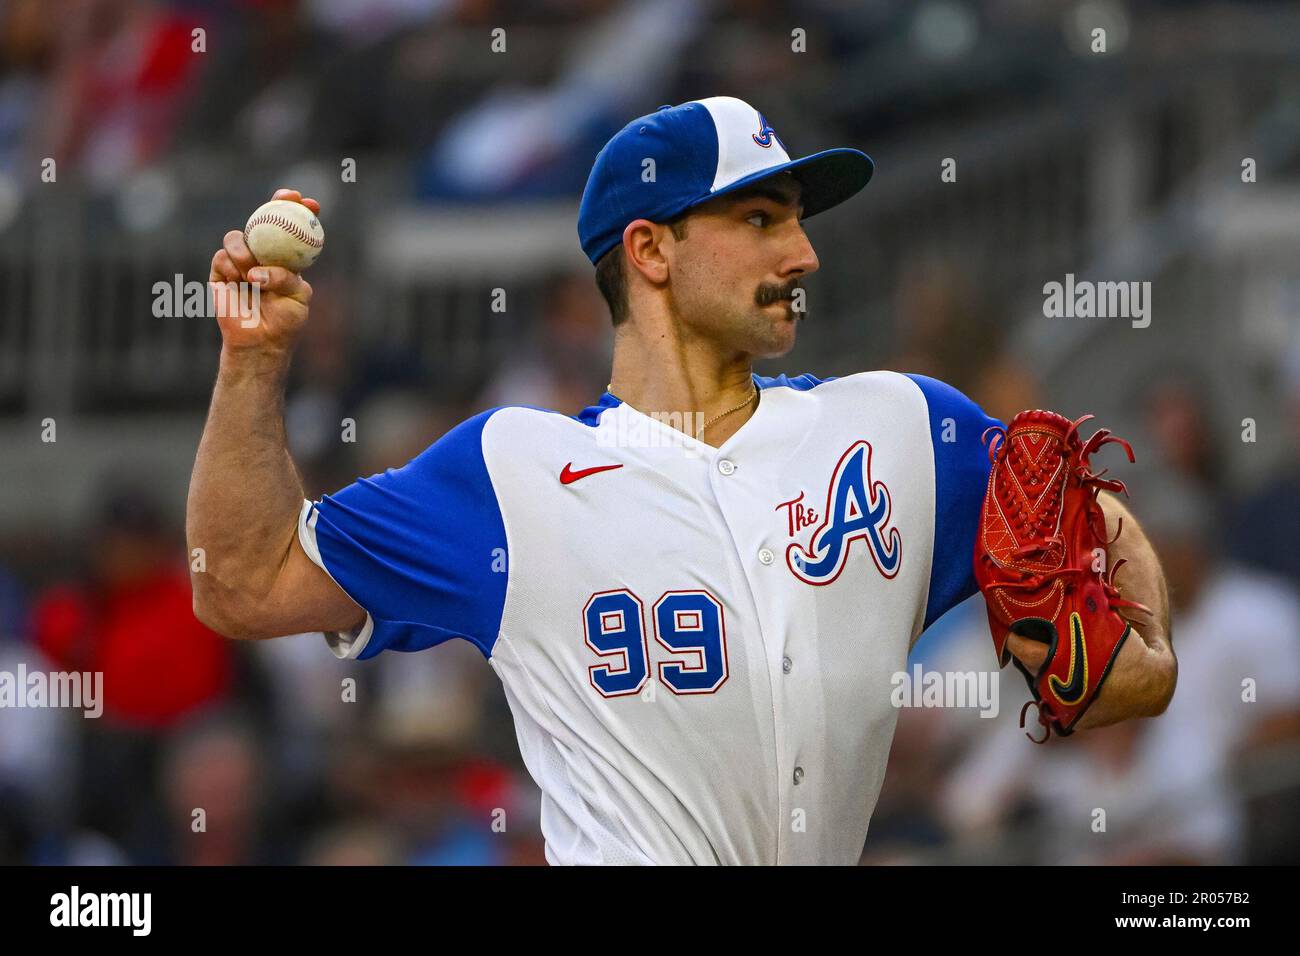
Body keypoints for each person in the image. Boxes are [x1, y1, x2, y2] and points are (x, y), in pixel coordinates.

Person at [189, 96, 1174, 865]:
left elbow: (1097, 582)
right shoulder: (508, 470)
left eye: (794, 219)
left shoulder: (902, 426)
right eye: (758, 217)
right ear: (650, 249)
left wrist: (1141, 621)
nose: (803, 253)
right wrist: (251, 363)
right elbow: (241, 580)